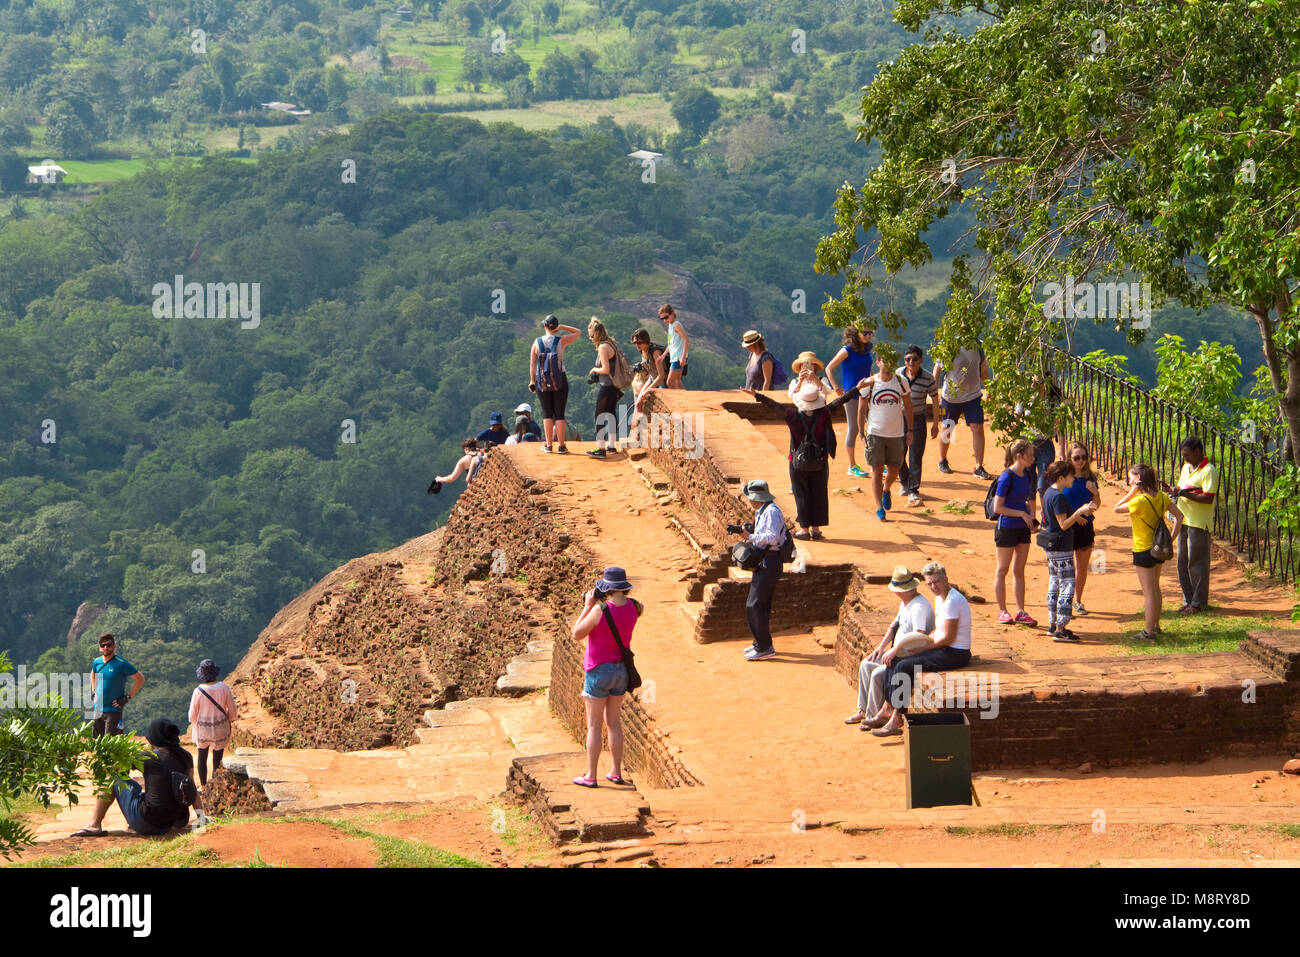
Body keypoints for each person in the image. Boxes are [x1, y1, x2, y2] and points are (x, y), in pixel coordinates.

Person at [742, 352, 865, 539]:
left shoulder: (792, 416)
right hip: (820, 459)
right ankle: (816, 529)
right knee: (819, 493)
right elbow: (840, 401)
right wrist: (857, 389)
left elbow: (775, 406)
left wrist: (757, 395)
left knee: (801, 494)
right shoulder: (824, 414)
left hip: (797, 461)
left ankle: (804, 530)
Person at [868, 562, 972, 737]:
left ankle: (897, 717)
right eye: (929, 583)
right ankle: (888, 706)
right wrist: (923, 643)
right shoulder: (940, 598)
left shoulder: (953, 601)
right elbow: (938, 631)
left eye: (936, 582)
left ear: (946, 580)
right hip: (943, 647)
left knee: (903, 666)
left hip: (955, 653)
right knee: (894, 659)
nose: (933, 587)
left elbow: (948, 637)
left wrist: (924, 647)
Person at [72, 719, 202, 837]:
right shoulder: (186, 756)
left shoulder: (149, 756)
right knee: (136, 787)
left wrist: (128, 753)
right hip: (175, 821)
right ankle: (198, 817)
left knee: (113, 777)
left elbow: (113, 767)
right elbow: (191, 788)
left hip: (147, 823)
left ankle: (94, 825)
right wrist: (201, 817)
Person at [571, 567, 640, 787]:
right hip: (621, 671)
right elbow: (626, 609)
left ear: (606, 588)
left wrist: (587, 607)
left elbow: (577, 634)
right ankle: (616, 771)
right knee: (614, 723)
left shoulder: (599, 610)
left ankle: (591, 775)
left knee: (594, 726)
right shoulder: (634, 608)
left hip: (598, 670)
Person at [845, 566, 935, 730]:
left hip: (907, 655)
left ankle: (874, 716)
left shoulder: (918, 607)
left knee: (877, 674)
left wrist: (895, 650)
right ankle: (862, 710)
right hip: (896, 652)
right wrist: (881, 647)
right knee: (866, 664)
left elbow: (919, 635)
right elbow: (893, 627)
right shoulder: (906, 603)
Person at [1115, 463, 1184, 641]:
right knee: (1155, 587)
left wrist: (1131, 493)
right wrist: (1171, 538)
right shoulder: (1161, 497)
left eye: (1131, 478)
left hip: (1143, 548)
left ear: (1138, 479)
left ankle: (1148, 631)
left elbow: (1117, 508)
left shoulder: (1139, 501)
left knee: (1149, 592)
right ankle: (1155, 625)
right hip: (1158, 548)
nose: (1129, 481)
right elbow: (1179, 517)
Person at [726, 479, 789, 661]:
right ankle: (760, 643)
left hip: (770, 561)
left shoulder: (771, 512)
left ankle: (764, 646)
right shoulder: (763, 511)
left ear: (758, 498)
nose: (749, 501)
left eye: (751, 497)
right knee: (760, 605)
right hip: (766, 561)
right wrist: (745, 530)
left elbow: (772, 537)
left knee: (754, 605)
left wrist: (750, 536)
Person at [1040, 460, 1098, 642]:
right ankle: (1060, 628)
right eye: (1071, 475)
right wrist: (1080, 511)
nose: (1074, 478)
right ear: (1061, 477)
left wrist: (1077, 516)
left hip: (1052, 547)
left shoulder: (1049, 493)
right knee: (1066, 585)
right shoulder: (1057, 496)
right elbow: (1063, 524)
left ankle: (1052, 623)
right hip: (1061, 546)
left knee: (1055, 583)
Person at [858, 345, 913, 521]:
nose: (888, 364)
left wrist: (910, 430)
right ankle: (878, 507)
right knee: (876, 471)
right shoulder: (870, 382)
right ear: (878, 361)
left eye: (891, 360)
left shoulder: (900, 381)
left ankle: (886, 489)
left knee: (894, 470)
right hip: (875, 432)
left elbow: (908, 407)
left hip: (896, 433)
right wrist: (861, 431)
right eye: (884, 360)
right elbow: (861, 409)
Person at [1165, 436, 1219, 614]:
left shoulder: (1208, 470)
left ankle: (1198, 603)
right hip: (1183, 520)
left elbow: (1208, 497)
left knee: (1197, 563)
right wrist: (1174, 492)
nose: (1185, 458)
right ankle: (1188, 599)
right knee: (1182, 562)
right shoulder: (1186, 467)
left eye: (1187, 454)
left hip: (1198, 522)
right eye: (1183, 455)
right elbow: (1182, 489)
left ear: (1197, 452)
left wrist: (1183, 494)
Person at [993, 439, 1039, 626]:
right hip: (1006, 527)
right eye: (1030, 454)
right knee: (1002, 569)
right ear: (1019, 455)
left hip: (1022, 528)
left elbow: (1024, 501)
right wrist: (1021, 513)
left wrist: (1031, 517)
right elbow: (998, 507)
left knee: (1019, 570)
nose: (1033, 458)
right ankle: (1002, 610)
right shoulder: (1006, 477)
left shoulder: (1027, 475)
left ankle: (1020, 611)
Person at [934, 344, 992, 479]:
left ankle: (979, 466)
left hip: (973, 396)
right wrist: (934, 391)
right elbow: (937, 369)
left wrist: (989, 388)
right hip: (950, 397)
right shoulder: (949, 345)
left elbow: (983, 370)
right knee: (947, 428)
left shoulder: (979, 346)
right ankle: (942, 460)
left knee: (978, 428)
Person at [825, 326, 876, 478]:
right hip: (852, 394)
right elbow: (829, 368)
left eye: (870, 333)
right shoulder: (846, 350)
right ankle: (852, 465)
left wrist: (875, 383)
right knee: (853, 428)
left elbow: (869, 369)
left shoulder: (866, 349)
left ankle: (877, 462)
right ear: (856, 333)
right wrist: (835, 387)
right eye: (865, 332)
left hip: (868, 392)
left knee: (873, 426)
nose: (868, 335)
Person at [529, 314, 582, 453]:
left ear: (545, 326)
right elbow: (578, 332)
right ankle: (562, 446)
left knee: (547, 413)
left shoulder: (537, 342)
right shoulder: (561, 341)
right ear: (556, 327)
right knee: (560, 414)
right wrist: (562, 327)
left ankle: (548, 445)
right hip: (560, 379)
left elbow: (532, 364)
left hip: (542, 380)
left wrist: (532, 381)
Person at [898, 344, 940, 506]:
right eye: (908, 359)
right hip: (899, 419)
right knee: (898, 454)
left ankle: (913, 490)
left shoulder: (928, 378)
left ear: (920, 360)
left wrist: (935, 424)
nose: (911, 362)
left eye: (914, 359)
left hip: (918, 419)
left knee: (915, 455)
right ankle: (905, 481)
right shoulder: (897, 375)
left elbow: (935, 400)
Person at [1064, 441, 1102, 615]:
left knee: (1082, 566)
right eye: (1076, 458)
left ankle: (1077, 601)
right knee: (1065, 566)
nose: (1080, 461)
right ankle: (1065, 599)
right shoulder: (1064, 476)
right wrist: (1075, 516)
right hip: (1067, 525)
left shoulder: (1090, 478)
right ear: (1069, 459)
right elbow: (1056, 500)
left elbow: (1097, 504)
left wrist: (1094, 492)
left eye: (1083, 457)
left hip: (1085, 525)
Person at [188, 659, 238, 787]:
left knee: (202, 758)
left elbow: (192, 715)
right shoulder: (224, 687)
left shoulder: (198, 691)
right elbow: (232, 709)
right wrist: (231, 719)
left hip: (203, 729)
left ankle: (204, 786)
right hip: (220, 727)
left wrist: (195, 722)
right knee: (217, 758)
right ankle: (215, 785)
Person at [90, 633, 143, 738]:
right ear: (99, 648)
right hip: (98, 709)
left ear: (114, 646)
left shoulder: (121, 663)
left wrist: (127, 697)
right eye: (102, 645)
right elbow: (93, 674)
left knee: (110, 743)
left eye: (109, 645)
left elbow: (140, 679)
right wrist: (94, 691)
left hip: (113, 710)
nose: (105, 647)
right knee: (96, 742)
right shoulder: (97, 662)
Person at [586, 317, 624, 459]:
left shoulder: (603, 347)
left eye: (591, 335)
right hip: (614, 386)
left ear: (597, 334)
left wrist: (594, 370)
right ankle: (612, 446)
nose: (590, 338)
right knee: (611, 414)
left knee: (600, 416)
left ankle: (601, 448)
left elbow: (606, 369)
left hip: (607, 386)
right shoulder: (611, 343)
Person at [630, 327, 667, 411]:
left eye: (639, 342)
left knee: (663, 406)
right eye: (635, 343)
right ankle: (640, 423)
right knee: (639, 403)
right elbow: (650, 368)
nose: (637, 345)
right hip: (652, 378)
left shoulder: (655, 352)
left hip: (662, 381)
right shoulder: (642, 351)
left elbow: (661, 376)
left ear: (646, 340)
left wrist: (648, 390)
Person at [658, 303, 689, 389]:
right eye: (662, 318)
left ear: (672, 313)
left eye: (666, 317)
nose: (665, 320)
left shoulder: (676, 325)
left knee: (670, 382)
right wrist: (663, 356)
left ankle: (681, 400)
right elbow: (670, 344)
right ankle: (686, 400)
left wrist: (683, 357)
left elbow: (686, 340)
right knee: (677, 381)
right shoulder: (670, 325)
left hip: (678, 357)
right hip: (675, 357)